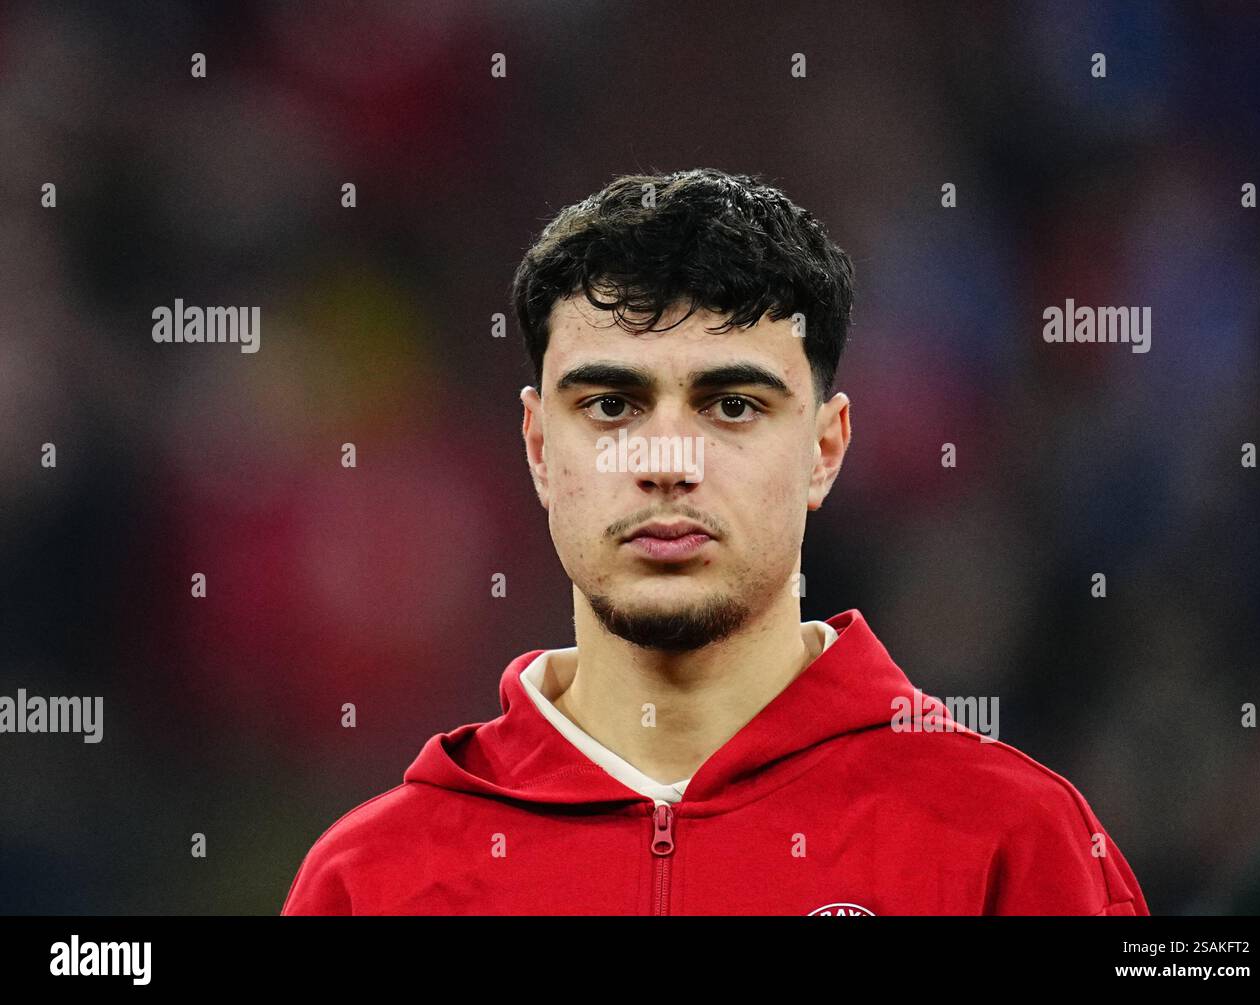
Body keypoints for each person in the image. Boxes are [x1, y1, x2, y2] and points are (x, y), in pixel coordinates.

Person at [282, 168, 1148, 915]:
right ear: (540, 447)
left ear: (825, 449)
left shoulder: (1012, 844)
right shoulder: (373, 883)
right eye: (611, 406)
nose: (667, 462)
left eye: (732, 406)